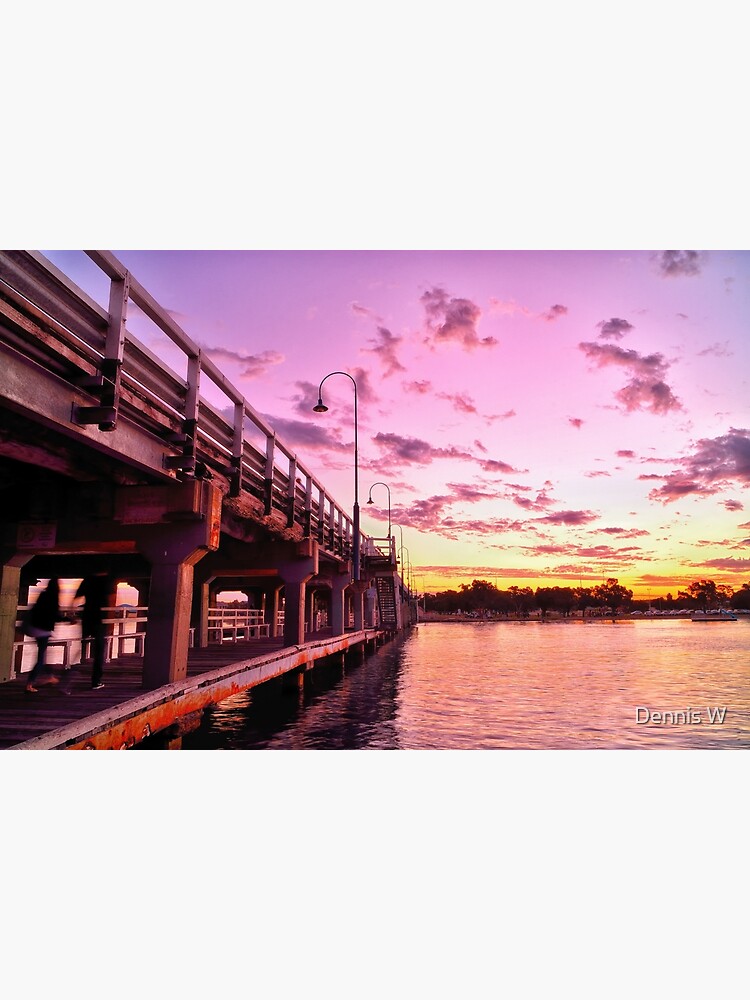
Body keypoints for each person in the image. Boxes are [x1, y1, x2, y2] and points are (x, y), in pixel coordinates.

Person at [75, 570, 112, 690]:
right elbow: (110, 600)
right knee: (99, 651)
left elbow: (76, 597)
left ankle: (68, 676)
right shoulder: (105, 581)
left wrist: (72, 613)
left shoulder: (87, 579)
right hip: (98, 619)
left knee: (80, 650)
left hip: (87, 618)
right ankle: (96, 681)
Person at [24, 578, 61, 693]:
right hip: (43, 631)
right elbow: (55, 616)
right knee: (41, 658)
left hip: (36, 628)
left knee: (43, 655)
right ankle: (29, 684)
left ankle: (50, 676)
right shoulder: (53, 598)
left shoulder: (43, 595)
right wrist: (69, 619)